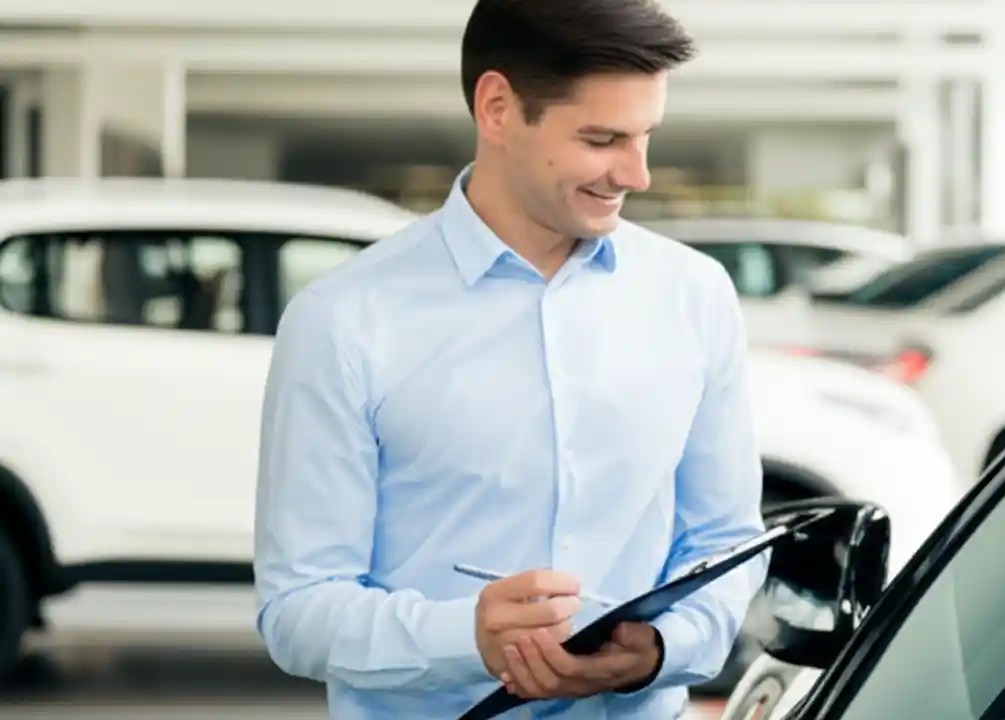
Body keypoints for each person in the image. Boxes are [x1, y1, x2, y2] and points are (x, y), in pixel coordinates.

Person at [252, 0, 767, 717]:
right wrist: (466, 636)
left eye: (646, 137)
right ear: (496, 108)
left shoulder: (695, 295)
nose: (637, 173)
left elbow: (725, 539)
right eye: (602, 139)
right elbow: (298, 608)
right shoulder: (342, 319)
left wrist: (661, 649)